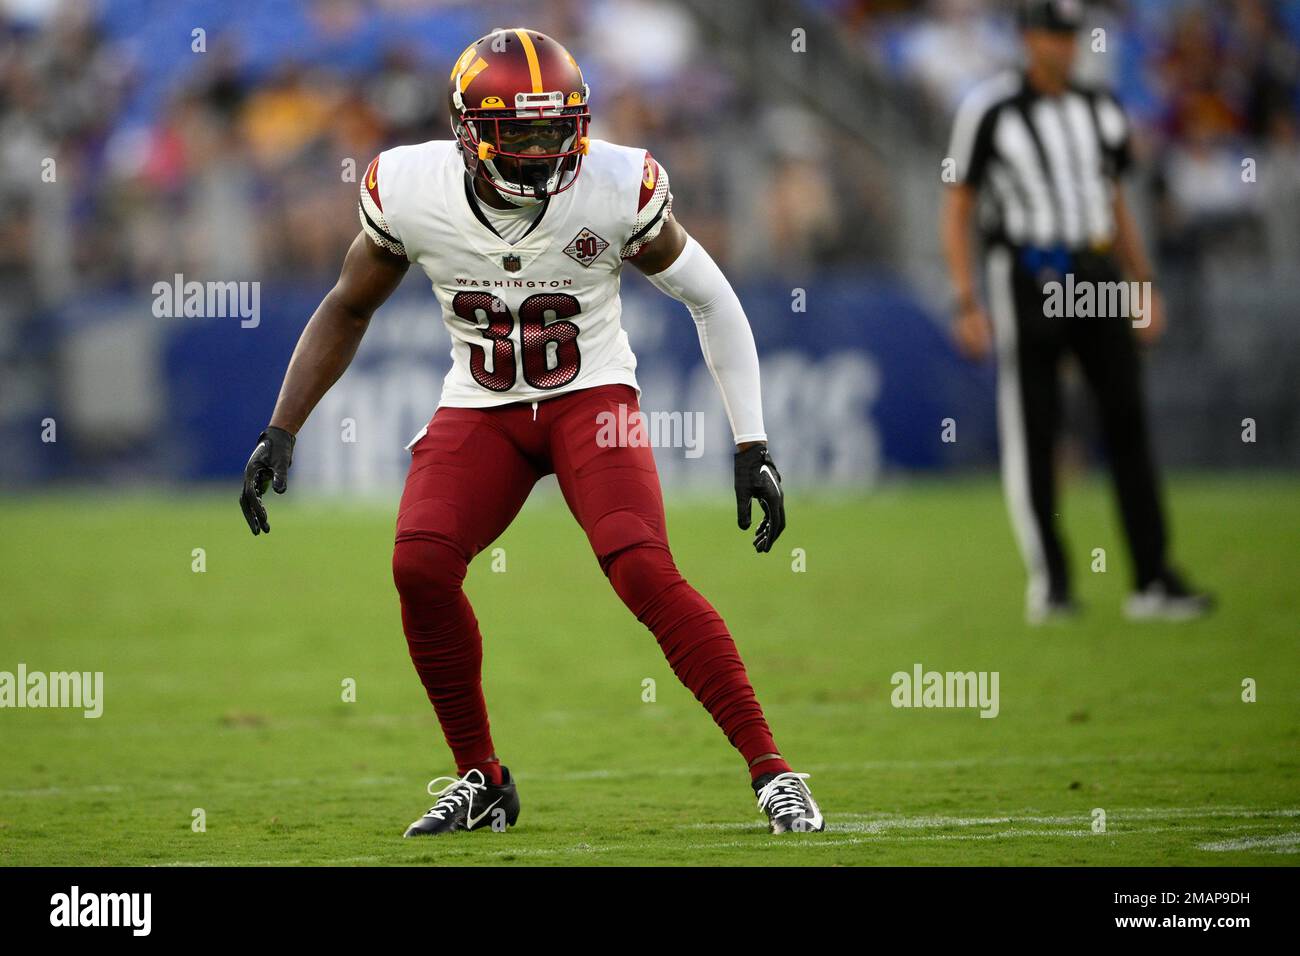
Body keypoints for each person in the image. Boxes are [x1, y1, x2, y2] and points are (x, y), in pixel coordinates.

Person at [239, 29, 824, 835]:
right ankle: (481, 779)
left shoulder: (616, 182)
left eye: (559, 129)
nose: (548, 152)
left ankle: (775, 772)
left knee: (644, 569)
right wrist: (282, 427)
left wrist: (752, 442)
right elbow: (347, 305)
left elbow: (712, 298)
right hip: (483, 406)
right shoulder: (411, 188)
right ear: (468, 133)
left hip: (593, 398)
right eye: (524, 134)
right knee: (418, 565)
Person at [940, 0, 1212, 623]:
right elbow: (958, 205)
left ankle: (1152, 578)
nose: (1062, 47)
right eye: (1051, 34)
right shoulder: (989, 110)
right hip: (1028, 272)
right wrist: (966, 299)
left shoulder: (1100, 109)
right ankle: (1054, 583)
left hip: (1096, 271)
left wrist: (1143, 282)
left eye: (1069, 35)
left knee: (1127, 419)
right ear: (1026, 37)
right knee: (1035, 425)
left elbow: (1114, 201)